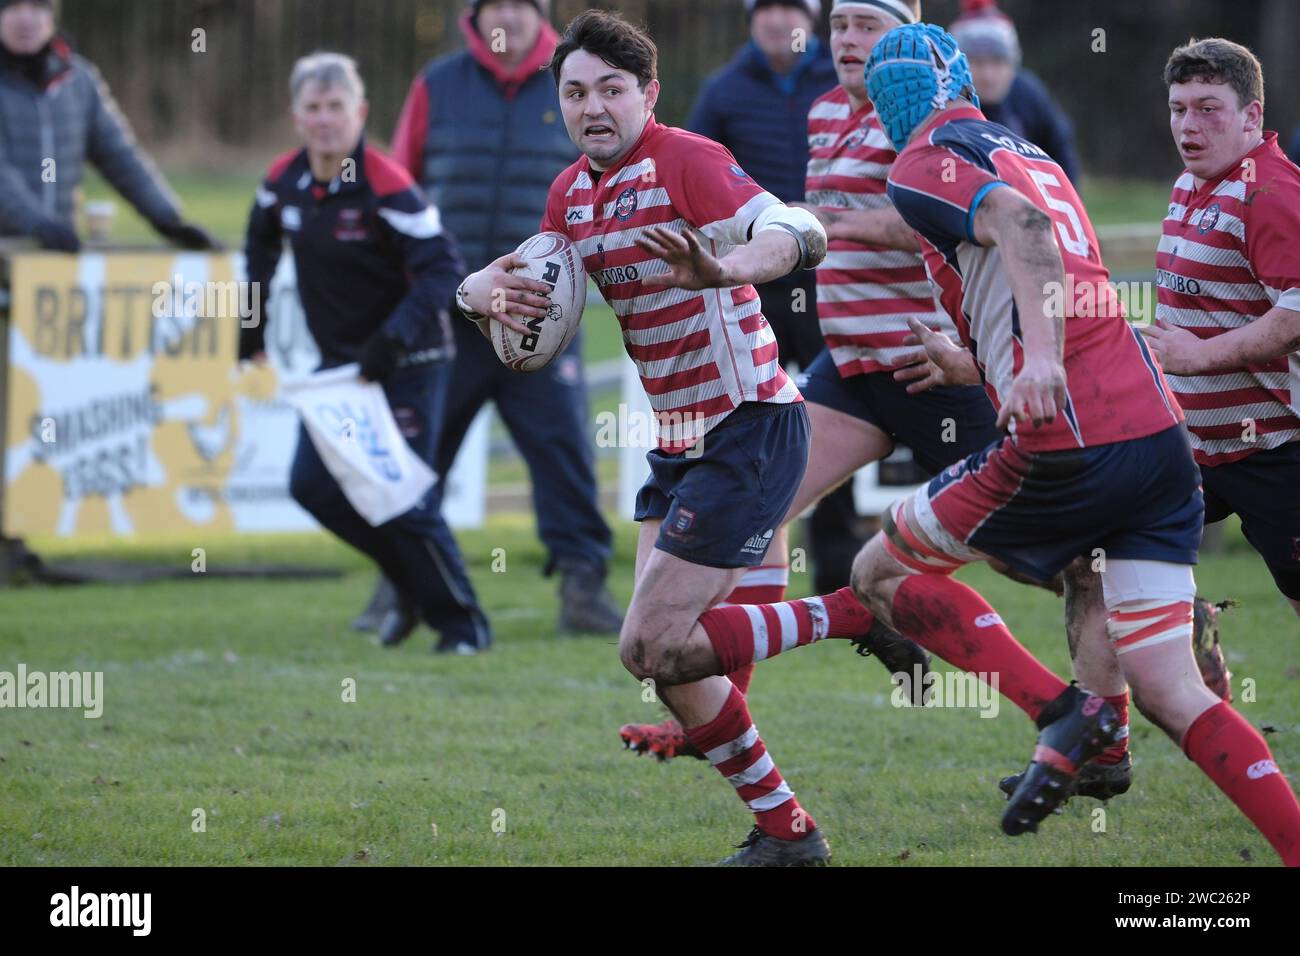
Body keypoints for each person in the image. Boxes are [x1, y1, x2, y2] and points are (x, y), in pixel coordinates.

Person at [459, 10, 1114, 866]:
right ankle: (786, 834)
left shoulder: (687, 160)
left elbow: (796, 229)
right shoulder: (571, 194)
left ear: (647, 94)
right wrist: (482, 294)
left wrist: (727, 265)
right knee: (675, 667)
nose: (593, 107)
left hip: (752, 429)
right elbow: (519, 280)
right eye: (576, 91)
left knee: (650, 644)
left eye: (612, 90)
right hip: (680, 444)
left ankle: (850, 611)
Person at [853, 22, 1300, 863]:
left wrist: (1042, 362)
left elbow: (1027, 237)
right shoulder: (1026, 148)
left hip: (1071, 437)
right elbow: (1069, 272)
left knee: (882, 571)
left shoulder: (923, 160)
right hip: (1160, 435)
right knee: (1169, 685)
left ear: (883, 104)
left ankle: (1067, 713)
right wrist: (986, 359)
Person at [618, 0, 1003, 763]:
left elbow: (953, 214)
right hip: (851, 367)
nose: (849, 41)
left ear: (907, 34)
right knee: (755, 522)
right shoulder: (825, 110)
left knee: (1038, 551)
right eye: (840, 26)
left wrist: (828, 217)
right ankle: (722, 716)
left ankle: (1124, 665)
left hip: (931, 365)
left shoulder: (929, 111)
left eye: (869, 25)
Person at [241, 52, 491, 656]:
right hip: (340, 371)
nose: (326, 120)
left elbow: (444, 273)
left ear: (361, 112)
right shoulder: (282, 182)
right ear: (295, 115)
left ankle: (463, 628)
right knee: (314, 488)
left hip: (408, 364)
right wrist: (248, 334)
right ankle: (411, 586)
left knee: (404, 499)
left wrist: (391, 340)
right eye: (313, 108)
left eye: (337, 107)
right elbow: (258, 254)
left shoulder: (387, 184)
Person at [386, 0, 622, 637]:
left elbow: (615, 174)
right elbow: (398, 186)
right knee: (419, 455)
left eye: (522, 4)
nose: (509, 17)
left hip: (541, 315)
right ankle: (400, 586)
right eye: (497, 4)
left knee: (564, 454)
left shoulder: (576, 84)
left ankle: (582, 587)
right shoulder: (437, 84)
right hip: (450, 311)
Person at [687, 0, 859, 604]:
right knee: (741, 419)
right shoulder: (724, 90)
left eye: (788, 6)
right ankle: (727, 560)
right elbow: (691, 175)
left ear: (810, 19)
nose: (774, 19)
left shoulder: (841, 84)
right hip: (749, 280)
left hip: (824, 277)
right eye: (763, 7)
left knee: (829, 420)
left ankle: (837, 573)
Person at [1142, 37, 1300, 621]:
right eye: (1179, 108)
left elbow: (1296, 314)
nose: (1189, 124)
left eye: (1209, 108)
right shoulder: (1190, 185)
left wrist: (1199, 357)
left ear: (1251, 115)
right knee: (1109, 546)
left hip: (1278, 447)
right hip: (1200, 450)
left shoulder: (1269, 192)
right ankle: (1131, 692)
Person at [0, 0, 217, 250]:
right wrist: (38, 224)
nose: (25, 18)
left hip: (54, 257)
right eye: (13, 7)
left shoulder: (79, 82)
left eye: (37, 7)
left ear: (51, 17)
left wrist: (169, 221)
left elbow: (120, 156)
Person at [948, 0, 1080, 184]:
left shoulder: (1029, 94)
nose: (988, 75)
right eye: (977, 62)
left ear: (1013, 63)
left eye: (997, 61)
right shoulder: (946, 103)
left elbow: (1060, 148)